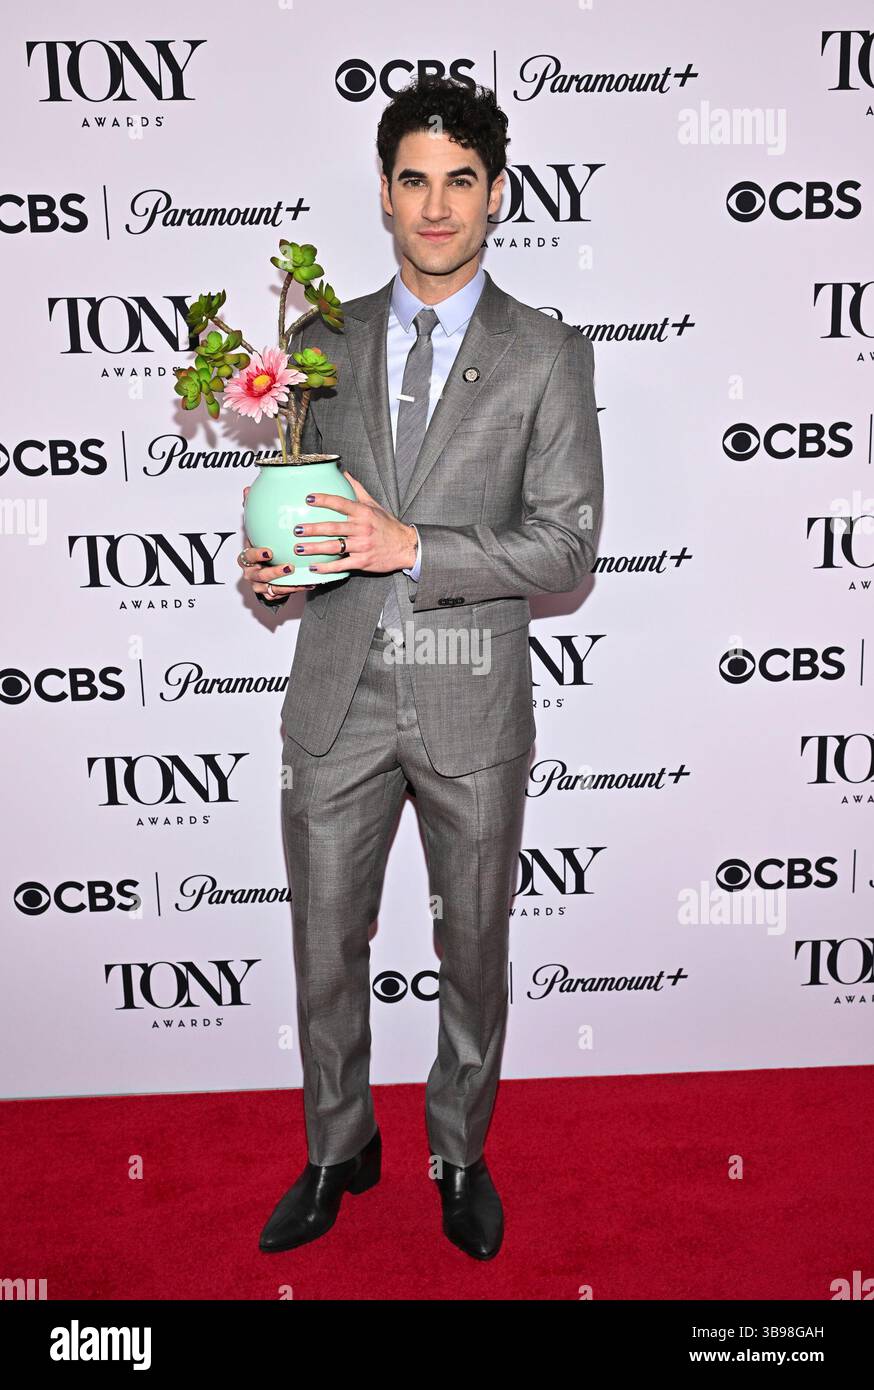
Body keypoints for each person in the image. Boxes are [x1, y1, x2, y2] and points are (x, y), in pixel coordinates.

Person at [238, 75, 603, 1260]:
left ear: (496, 194)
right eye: (413, 181)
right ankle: (339, 1145)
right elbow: (300, 520)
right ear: (385, 194)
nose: (435, 206)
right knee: (324, 943)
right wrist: (269, 574)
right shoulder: (316, 342)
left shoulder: (546, 352)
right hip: (335, 696)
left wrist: (417, 548)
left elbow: (566, 541)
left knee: (474, 948)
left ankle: (458, 1147)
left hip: (470, 701)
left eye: (460, 181)